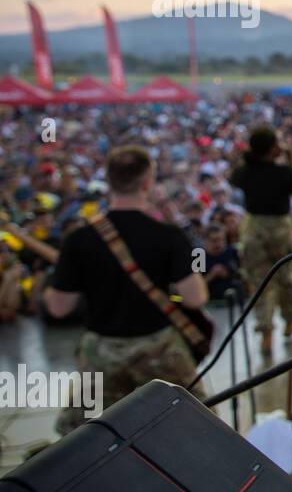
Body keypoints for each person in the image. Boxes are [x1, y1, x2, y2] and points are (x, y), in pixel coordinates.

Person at [45, 146, 209, 434]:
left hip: (102, 352)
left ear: (108, 181)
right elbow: (195, 298)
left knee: (85, 437)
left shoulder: (80, 238)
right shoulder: (168, 235)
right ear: (148, 182)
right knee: (198, 426)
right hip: (159, 348)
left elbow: (58, 307)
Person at [230, 126, 292, 355]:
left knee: (260, 282)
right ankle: (290, 318)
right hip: (281, 227)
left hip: (254, 227)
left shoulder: (244, 171)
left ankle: (266, 331)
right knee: (287, 277)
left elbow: (234, 179)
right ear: (274, 148)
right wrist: (290, 160)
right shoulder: (283, 171)